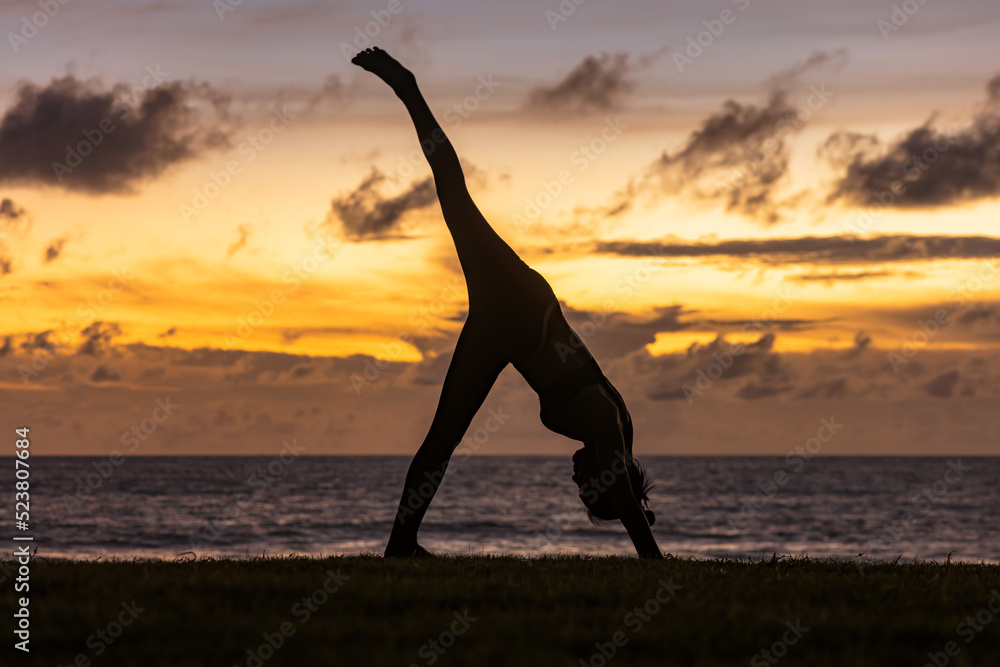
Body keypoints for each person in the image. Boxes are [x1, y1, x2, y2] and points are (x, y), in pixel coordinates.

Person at [351, 47, 662, 559]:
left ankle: (400, 545)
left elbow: (621, 490)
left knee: (443, 436)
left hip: (504, 334)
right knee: (455, 198)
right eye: (588, 488)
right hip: (521, 307)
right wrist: (649, 555)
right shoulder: (609, 427)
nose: (575, 481)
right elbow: (626, 498)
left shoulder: (605, 436)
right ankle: (407, 87)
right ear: (613, 479)